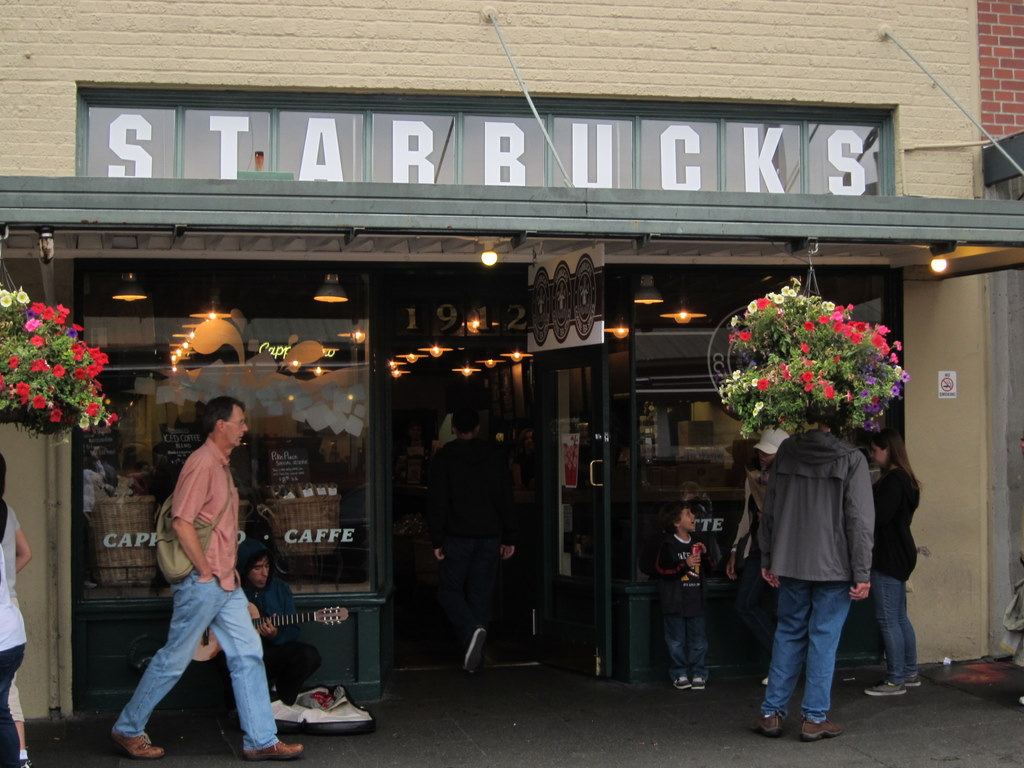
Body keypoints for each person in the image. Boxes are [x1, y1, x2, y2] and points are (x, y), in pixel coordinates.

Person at [111, 396, 303, 761]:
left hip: (225, 584)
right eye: (240, 421)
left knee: (248, 654)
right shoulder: (202, 464)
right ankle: (128, 728)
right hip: (207, 582)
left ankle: (261, 739)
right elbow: (181, 521)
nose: (245, 428)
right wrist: (203, 570)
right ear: (220, 425)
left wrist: (222, 575)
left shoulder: (220, 465)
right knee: (173, 660)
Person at [752, 423, 874, 742]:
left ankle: (771, 712)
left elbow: (771, 510)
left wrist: (768, 557)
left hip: (791, 559)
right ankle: (814, 717)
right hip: (834, 564)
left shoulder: (788, 452)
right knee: (824, 637)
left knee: (789, 632)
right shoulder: (852, 458)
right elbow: (860, 521)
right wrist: (862, 572)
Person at [427, 408, 516, 673]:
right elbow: (505, 498)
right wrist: (510, 535)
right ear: (477, 428)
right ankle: (475, 656)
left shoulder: (444, 458)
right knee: (480, 594)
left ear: (453, 427)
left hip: (457, 536)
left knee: (448, 591)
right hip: (490, 536)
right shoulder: (495, 457)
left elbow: (437, 501)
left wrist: (436, 539)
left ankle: (470, 630)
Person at [863, 428, 922, 696]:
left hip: (887, 554)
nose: (874, 456)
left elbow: (879, 517)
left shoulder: (892, 481)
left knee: (888, 618)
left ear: (888, 449)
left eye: (876, 450)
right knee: (899, 616)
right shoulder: (906, 479)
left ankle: (894, 678)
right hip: (902, 551)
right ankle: (908, 670)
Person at [726, 428, 787, 679]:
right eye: (761, 451)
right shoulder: (753, 477)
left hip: (782, 552)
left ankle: (781, 667)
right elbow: (745, 516)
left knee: (780, 610)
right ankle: (783, 658)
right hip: (758, 548)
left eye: (768, 452)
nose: (762, 455)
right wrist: (733, 549)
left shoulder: (791, 479)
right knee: (745, 604)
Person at [236, 538, 322, 707]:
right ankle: (238, 705)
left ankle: (282, 699)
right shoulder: (233, 591)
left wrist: (276, 635)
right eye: (257, 568)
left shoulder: (280, 589)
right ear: (245, 569)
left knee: (308, 655)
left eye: (267, 566)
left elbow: (293, 629)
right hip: (241, 653)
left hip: (271, 653)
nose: (264, 573)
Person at [653, 501, 716, 690]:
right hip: (675, 601)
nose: (693, 517)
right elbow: (663, 571)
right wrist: (684, 564)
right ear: (676, 522)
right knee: (676, 640)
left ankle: (698, 671)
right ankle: (679, 672)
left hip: (695, 599)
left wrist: (705, 555)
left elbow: (711, 568)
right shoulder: (668, 544)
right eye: (688, 514)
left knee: (698, 640)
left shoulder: (697, 540)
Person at [0, 454, 32, 768]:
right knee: (8, 693)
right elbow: (27, 553)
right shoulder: (6, 511)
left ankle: (20, 757)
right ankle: (20, 756)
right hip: (9, 607)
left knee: (6, 697)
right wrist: (7, 578)